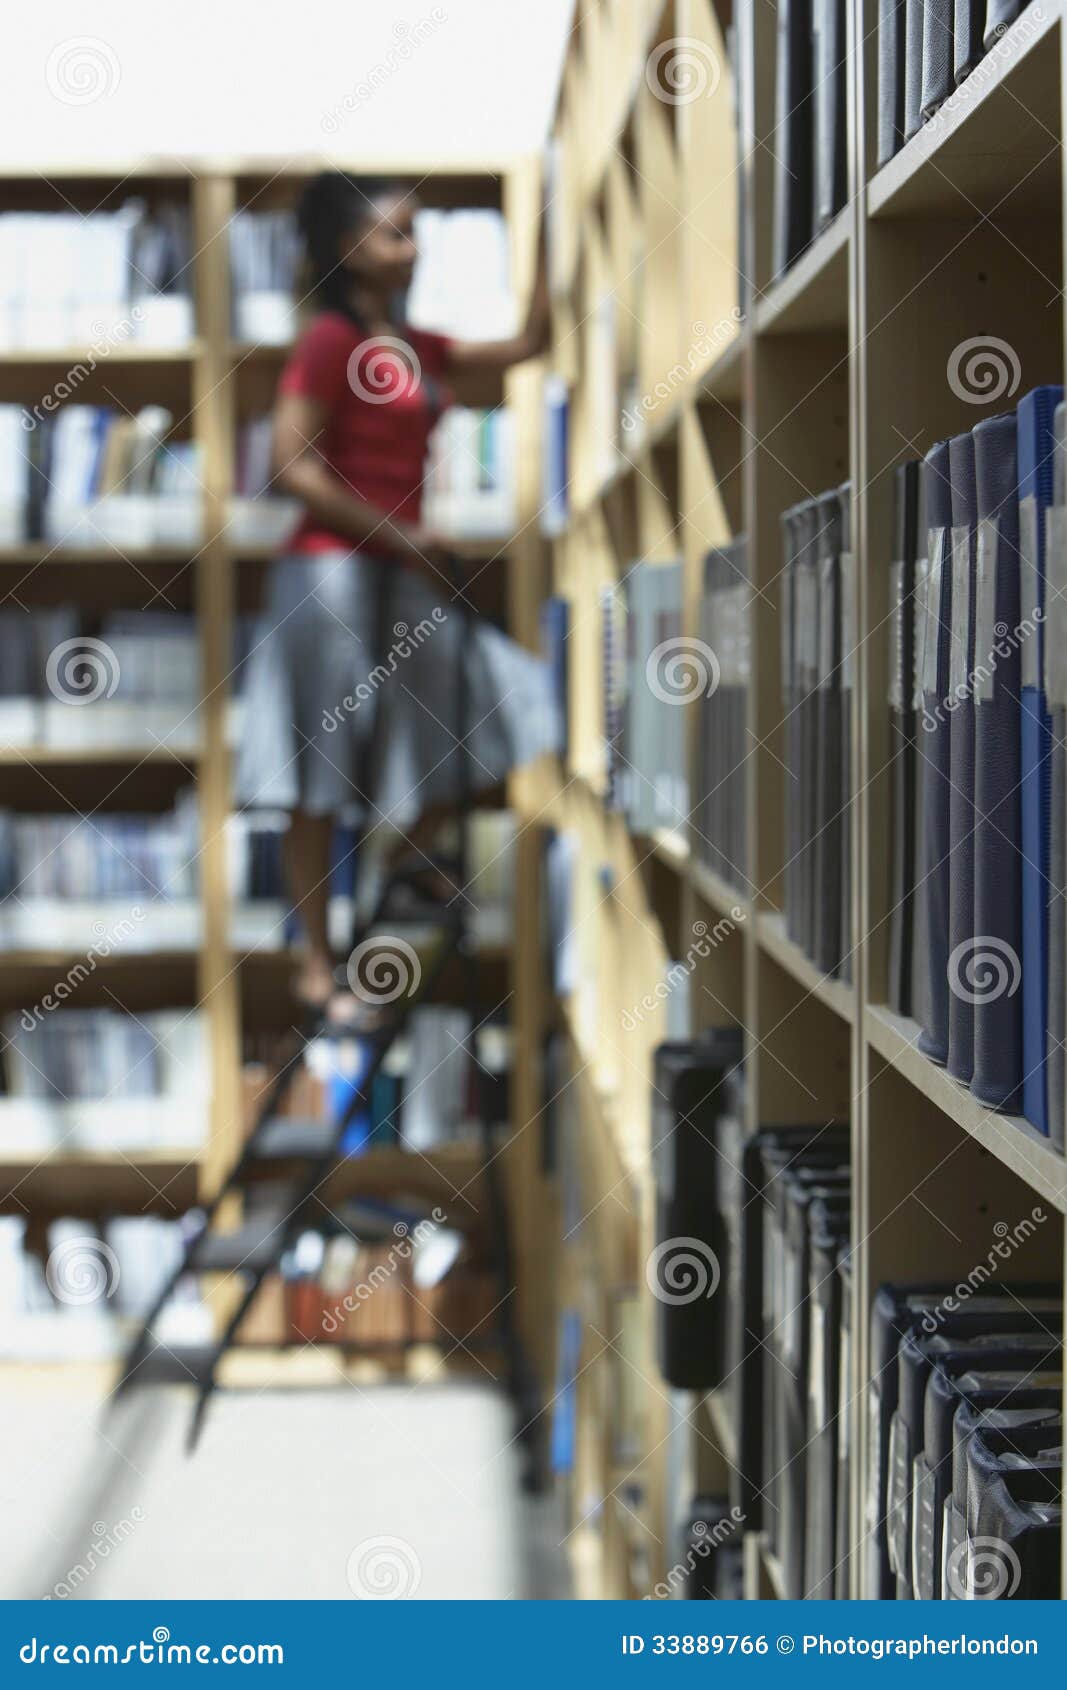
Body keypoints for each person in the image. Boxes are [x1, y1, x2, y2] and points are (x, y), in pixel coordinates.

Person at [235, 172, 557, 1011]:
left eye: (417, 231)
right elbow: (291, 466)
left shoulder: (415, 346)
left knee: (504, 699)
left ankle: (402, 855)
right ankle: (316, 964)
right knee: (317, 769)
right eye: (395, 234)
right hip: (329, 573)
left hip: (403, 568)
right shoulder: (328, 341)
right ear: (350, 249)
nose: (414, 249)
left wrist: (552, 223)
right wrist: (397, 533)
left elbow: (528, 344)